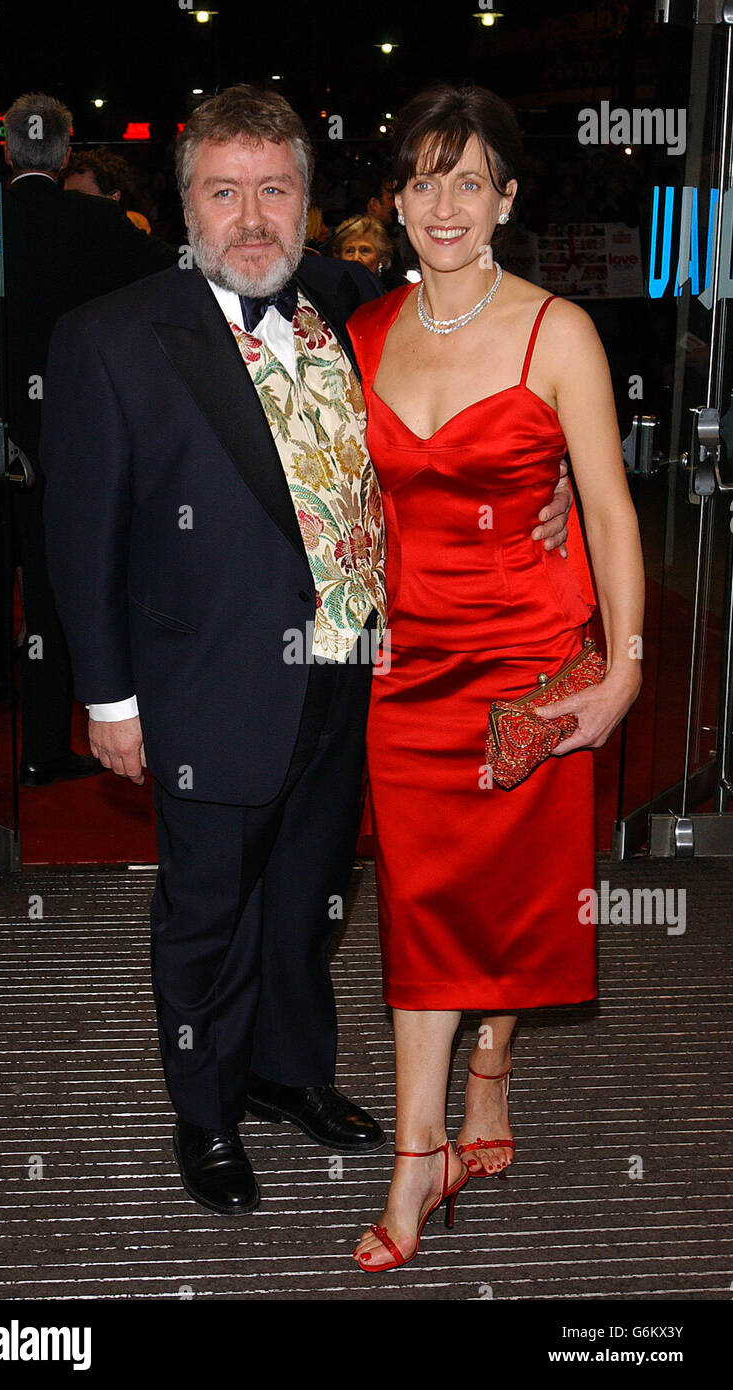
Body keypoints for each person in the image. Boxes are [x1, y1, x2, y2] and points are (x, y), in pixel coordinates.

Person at [40, 85, 573, 1218]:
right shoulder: (110, 337)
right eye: (222, 192)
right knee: (207, 910)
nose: (250, 218)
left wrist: (555, 483)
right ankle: (207, 1108)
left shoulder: (354, 302)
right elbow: (78, 536)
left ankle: (289, 1074)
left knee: (310, 900)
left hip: (352, 676)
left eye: (273, 190)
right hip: (202, 687)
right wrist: (108, 699)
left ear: (308, 200)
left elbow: (468, 405)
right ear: (182, 203)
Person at [346, 84, 644, 1272]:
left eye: (469, 179)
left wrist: (621, 672)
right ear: (397, 202)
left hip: (526, 664)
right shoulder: (361, 332)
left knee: (508, 891)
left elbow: (614, 516)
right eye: (423, 179)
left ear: (507, 199)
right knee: (419, 898)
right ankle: (421, 1148)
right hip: (405, 670)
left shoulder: (554, 330)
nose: (445, 203)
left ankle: (491, 1063)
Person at [2, 92, 176, 787]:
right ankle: (45, 744)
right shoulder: (98, 222)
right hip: (75, 432)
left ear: (8, 152)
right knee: (53, 584)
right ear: (66, 150)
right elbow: (177, 276)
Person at [332, 214, 395, 281]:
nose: (356, 258)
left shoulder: (397, 289)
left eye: (365, 250)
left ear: (381, 257)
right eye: (349, 251)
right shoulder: (328, 289)